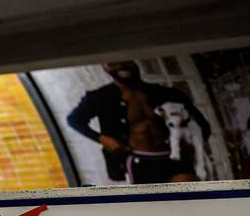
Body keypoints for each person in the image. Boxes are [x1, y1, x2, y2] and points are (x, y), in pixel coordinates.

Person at [67, 61, 212, 184]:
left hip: (174, 156)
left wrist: (190, 142)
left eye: (124, 61)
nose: (120, 66)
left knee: (189, 201)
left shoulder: (167, 93)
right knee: (155, 209)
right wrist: (104, 139)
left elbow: (202, 125)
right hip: (140, 159)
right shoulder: (100, 97)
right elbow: (74, 120)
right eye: (112, 64)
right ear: (105, 67)